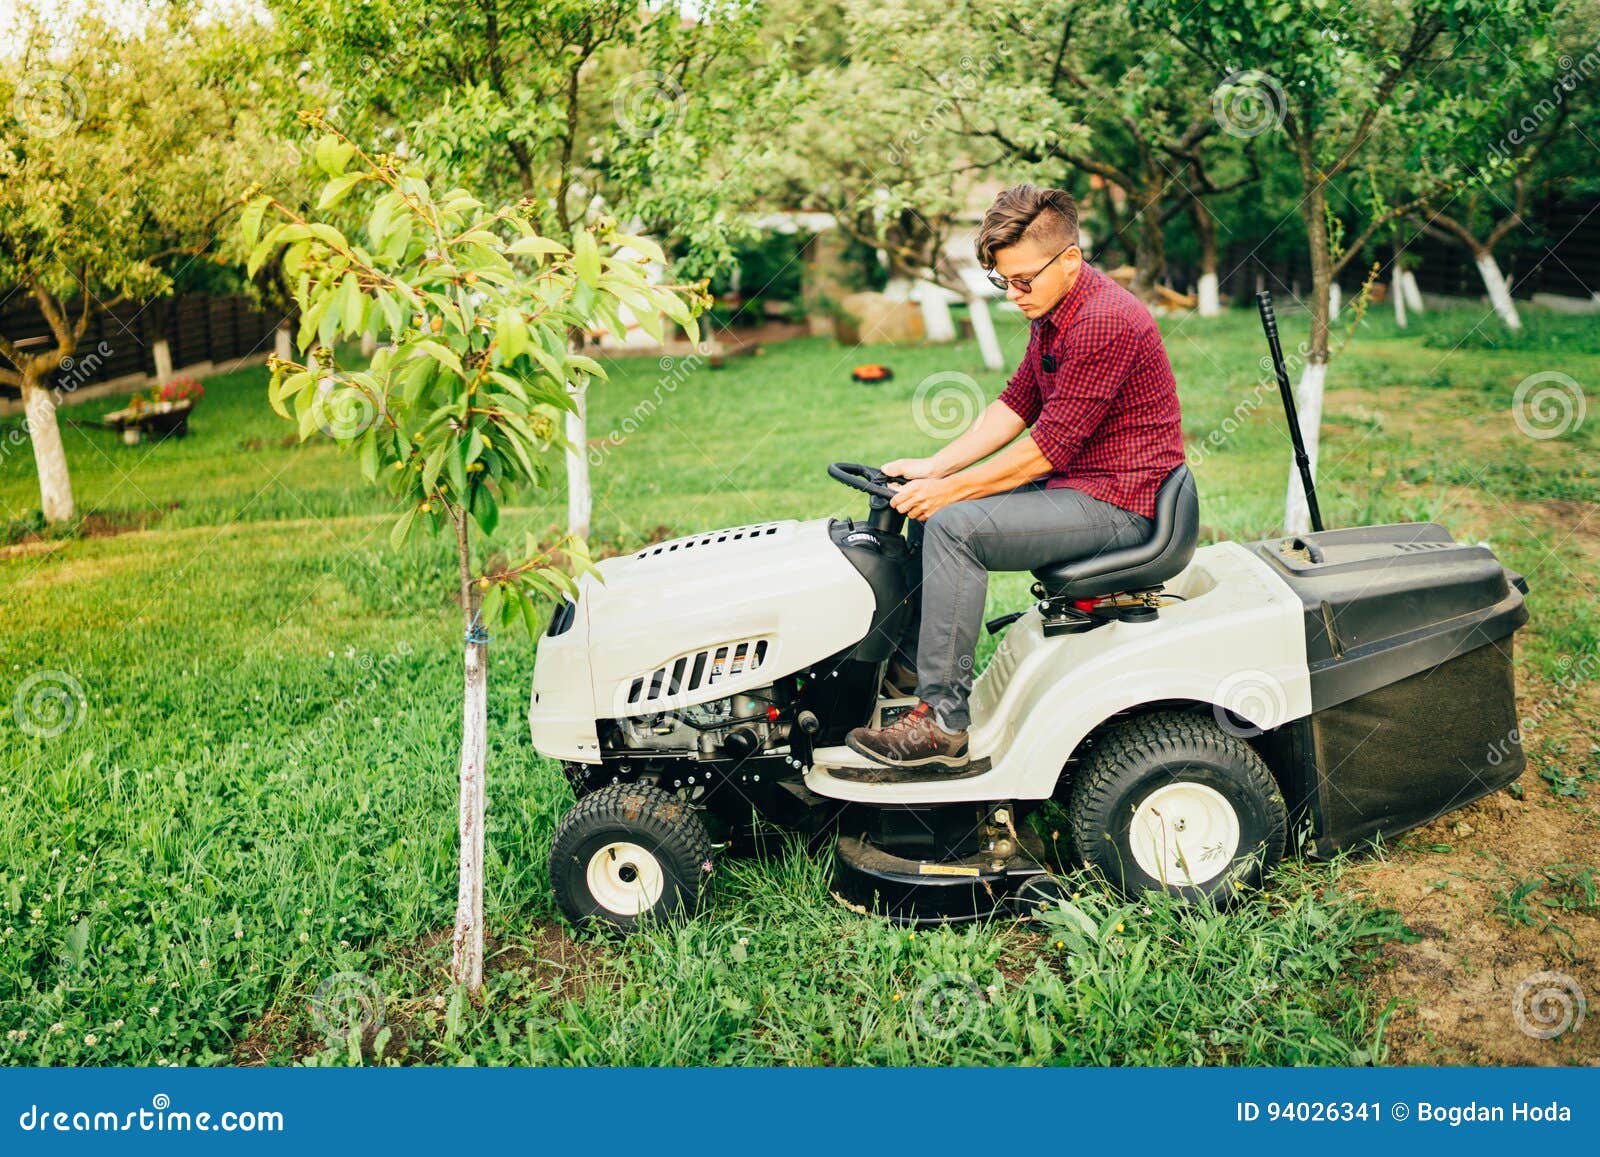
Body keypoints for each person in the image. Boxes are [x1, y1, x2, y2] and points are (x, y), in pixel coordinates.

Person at [844, 184, 1185, 771]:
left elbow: (1045, 450)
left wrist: (950, 491)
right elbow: (1016, 402)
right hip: (1079, 484)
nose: (1013, 294)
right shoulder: (1055, 311)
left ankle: (943, 724)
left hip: (1122, 505)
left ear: (1070, 260)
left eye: (1023, 280)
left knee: (954, 527)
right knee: (929, 510)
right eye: (1004, 281)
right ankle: (910, 678)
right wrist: (934, 468)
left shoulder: (1102, 321)